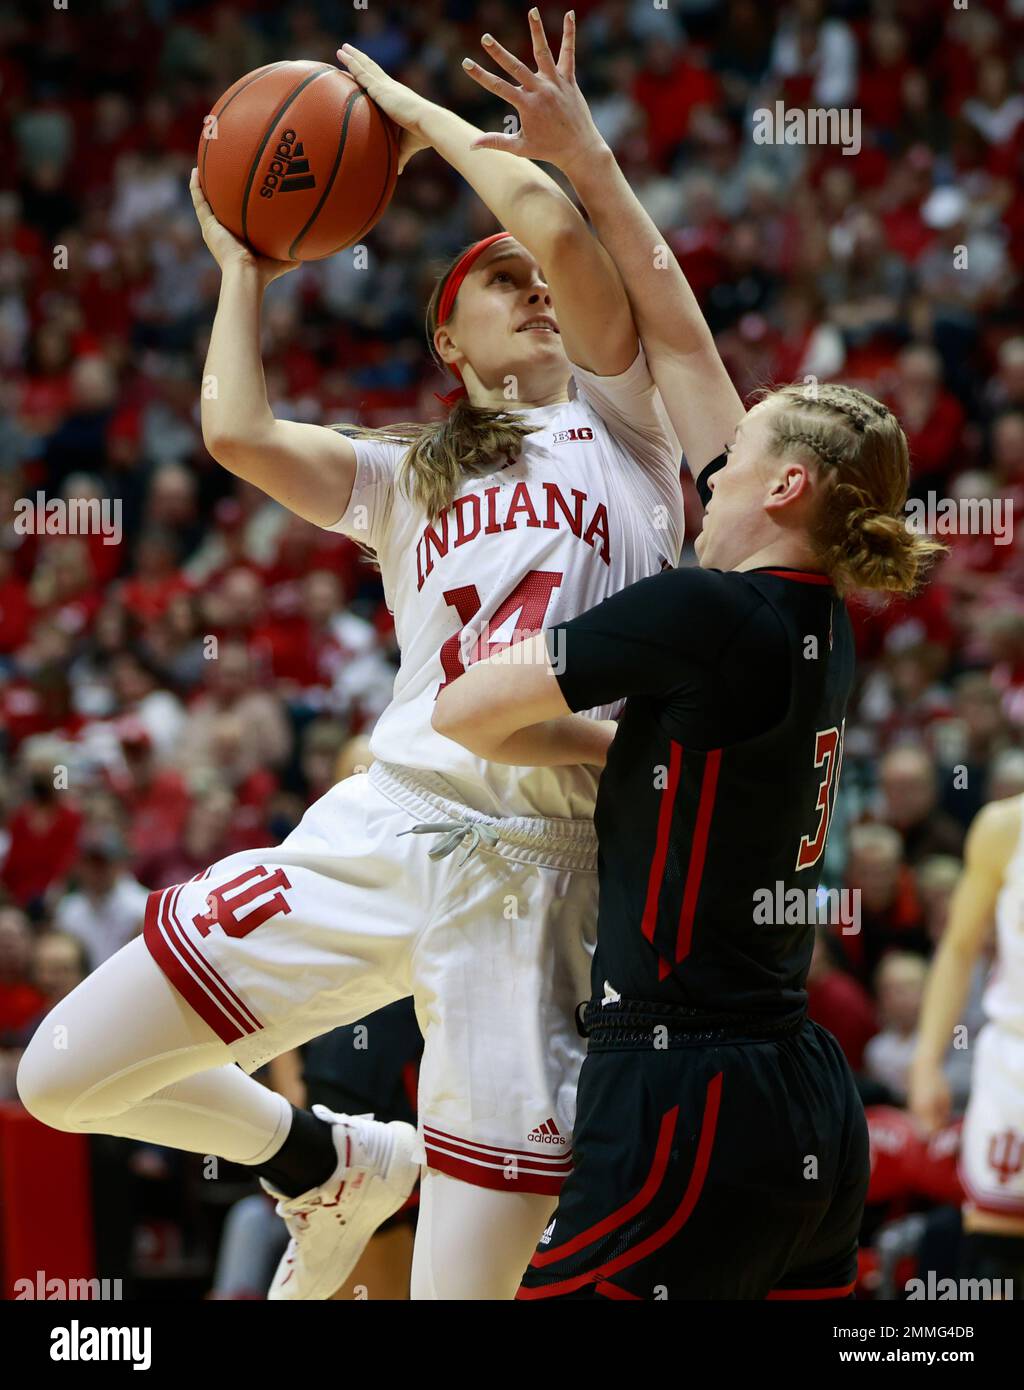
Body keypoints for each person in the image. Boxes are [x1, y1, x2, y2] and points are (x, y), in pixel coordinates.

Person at [16, 31, 688, 1301]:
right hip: (385, 822)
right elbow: (235, 429)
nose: (533, 286)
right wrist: (243, 266)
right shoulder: (405, 473)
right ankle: (323, 1157)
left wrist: (404, 110)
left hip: (538, 875)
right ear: (448, 342)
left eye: (535, 275)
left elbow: (553, 219)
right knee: (58, 1077)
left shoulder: (626, 423)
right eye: (498, 281)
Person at [434, 10, 940, 1299]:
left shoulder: (708, 610)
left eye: (737, 449)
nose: (701, 465)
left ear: (783, 487)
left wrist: (592, 725)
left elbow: (473, 708)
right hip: (803, 1102)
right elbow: (672, 327)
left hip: (681, 1094)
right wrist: (584, 155)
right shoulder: (811, 610)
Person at [909, 794, 1024, 1295]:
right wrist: (925, 1061)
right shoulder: (1004, 826)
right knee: (997, 1271)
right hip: (1014, 1070)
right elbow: (958, 946)